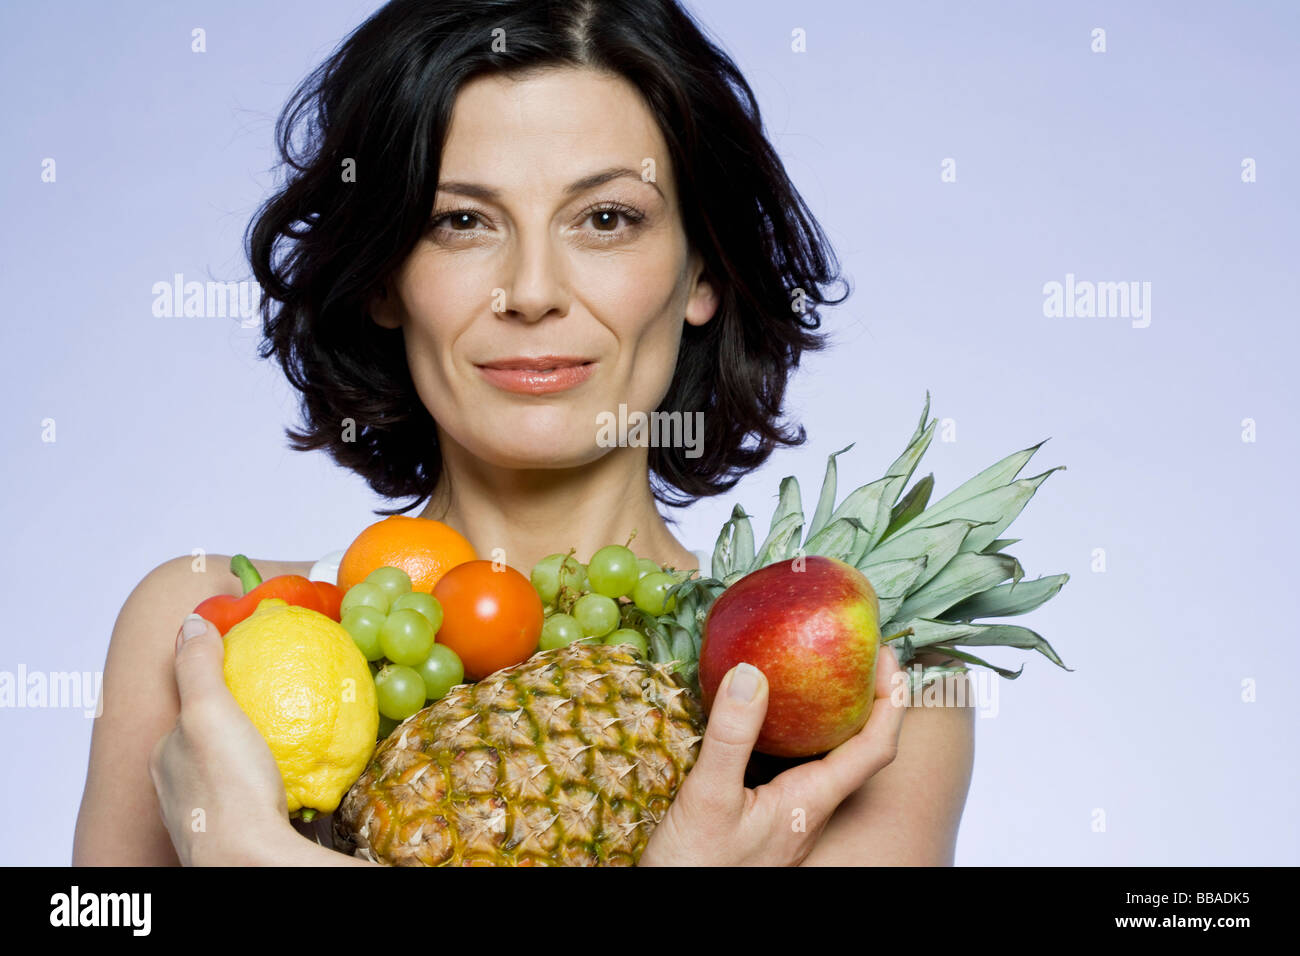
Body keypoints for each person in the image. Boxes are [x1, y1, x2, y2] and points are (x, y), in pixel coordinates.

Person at [73, 0, 973, 866]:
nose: (532, 290)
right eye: (461, 221)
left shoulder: (864, 695)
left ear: (703, 270)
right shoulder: (201, 636)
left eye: (606, 219)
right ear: (385, 277)